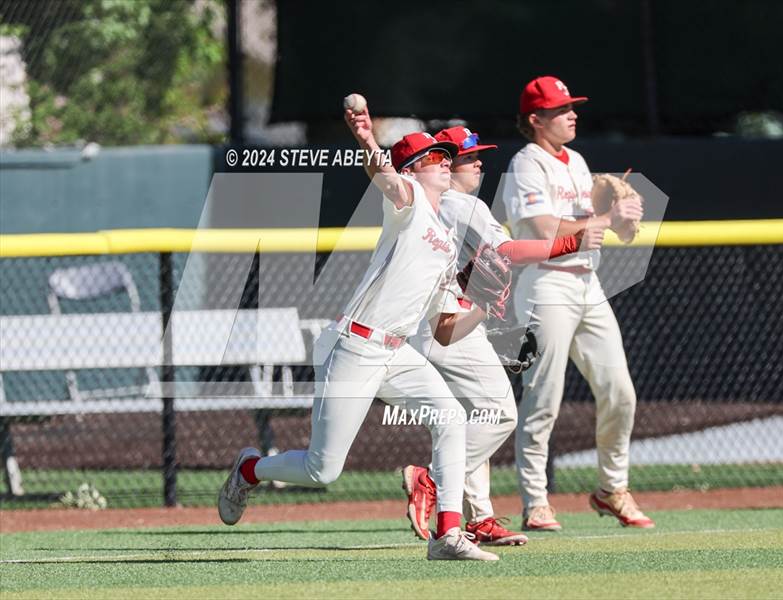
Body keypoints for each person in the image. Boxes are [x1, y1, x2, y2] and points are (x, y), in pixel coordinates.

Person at [218, 101, 504, 561]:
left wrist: (484, 307)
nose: (445, 161)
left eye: (446, 157)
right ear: (412, 170)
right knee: (322, 470)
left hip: (397, 352)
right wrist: (367, 138)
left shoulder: (448, 245)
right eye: (434, 156)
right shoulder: (409, 202)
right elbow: (383, 175)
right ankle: (250, 470)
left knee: (451, 419)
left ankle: (448, 536)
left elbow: (445, 330)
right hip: (356, 344)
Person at [402, 125, 604, 545]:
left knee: (473, 417)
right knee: (499, 414)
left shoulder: (424, 204)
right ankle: (432, 480)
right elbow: (505, 252)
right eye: (468, 157)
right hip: (449, 322)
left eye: (479, 156)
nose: (478, 163)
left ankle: (479, 517)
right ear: (446, 164)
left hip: (427, 318)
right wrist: (571, 244)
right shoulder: (463, 205)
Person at [502, 76, 654, 531]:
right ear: (536, 119)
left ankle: (612, 489)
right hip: (545, 285)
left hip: (588, 284)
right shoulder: (526, 164)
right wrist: (606, 217)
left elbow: (600, 231)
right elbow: (545, 230)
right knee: (543, 396)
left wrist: (622, 221)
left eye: (572, 107)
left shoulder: (578, 161)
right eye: (561, 109)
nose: (572, 115)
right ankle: (535, 501)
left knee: (620, 392)